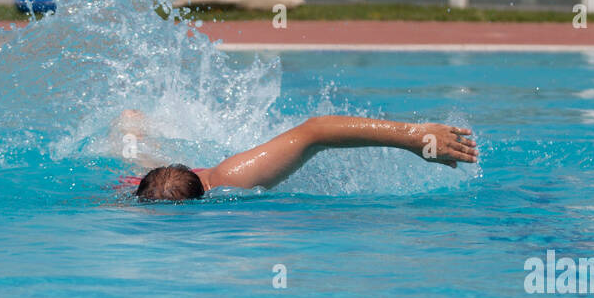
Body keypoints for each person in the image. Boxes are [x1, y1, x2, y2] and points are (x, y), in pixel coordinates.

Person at [123, 115, 478, 201]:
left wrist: (414, 137)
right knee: (129, 145)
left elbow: (316, 130)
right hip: (145, 182)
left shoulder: (232, 178)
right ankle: (133, 129)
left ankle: (133, 128)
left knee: (130, 142)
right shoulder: (139, 195)